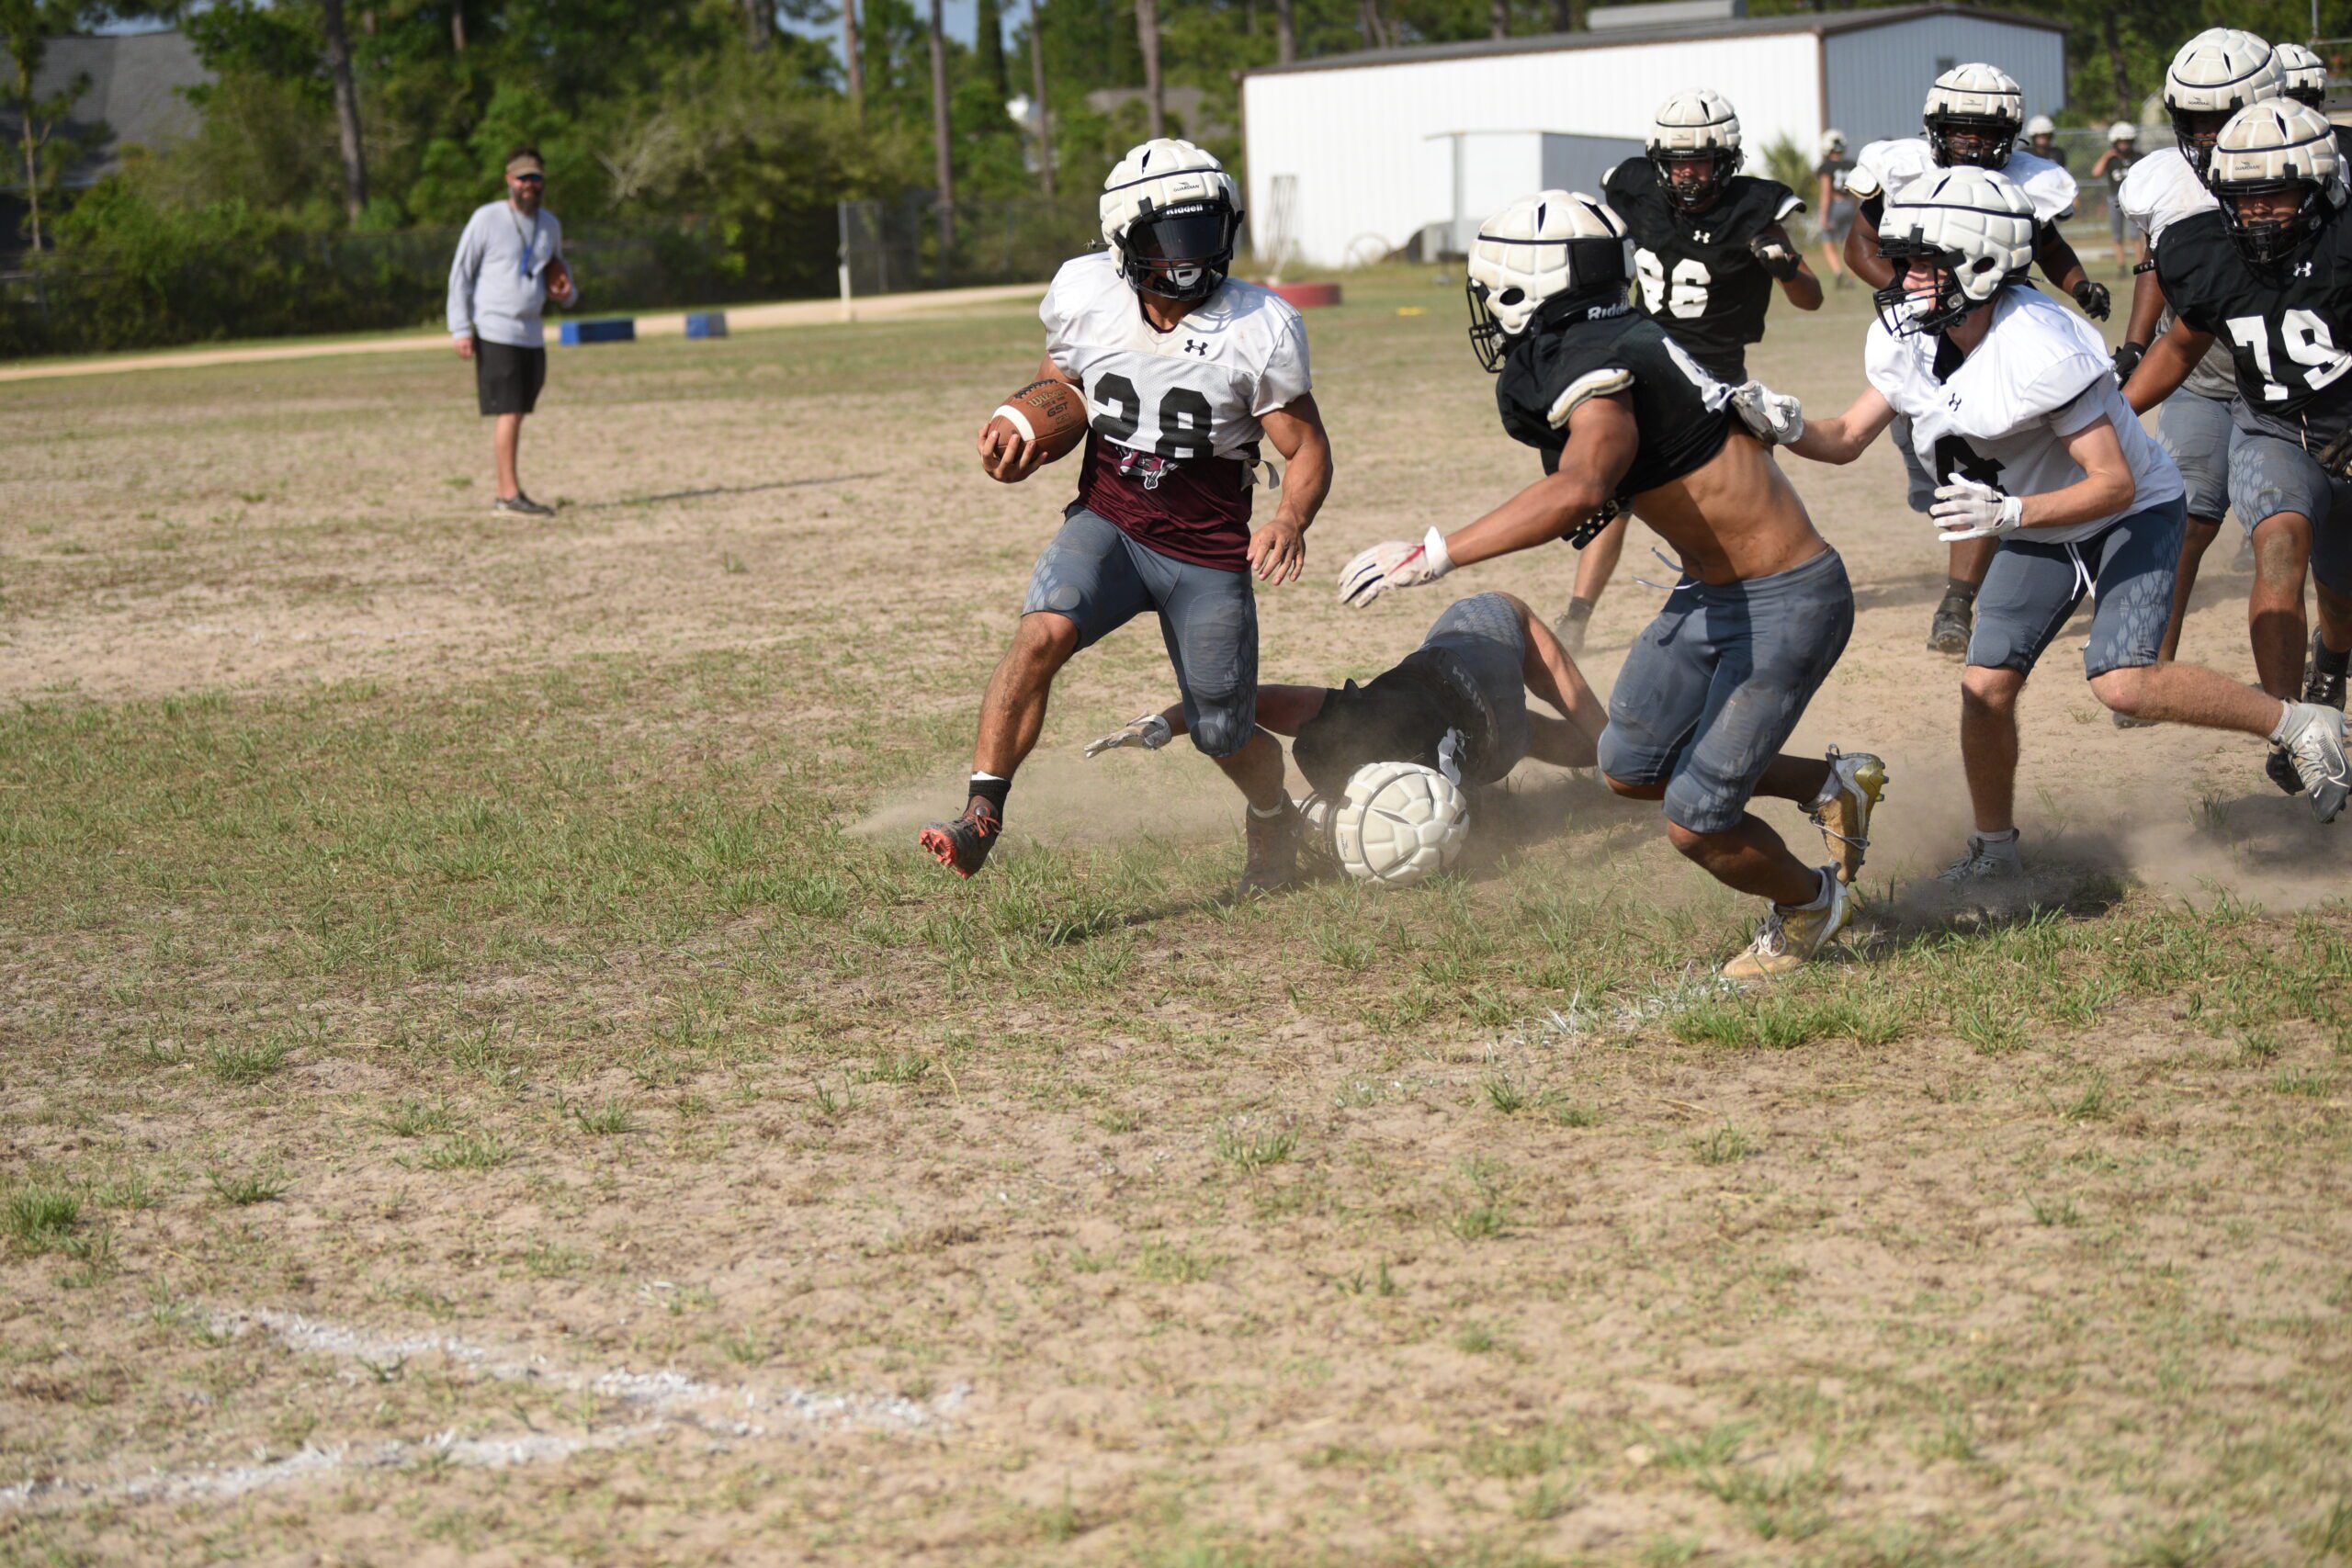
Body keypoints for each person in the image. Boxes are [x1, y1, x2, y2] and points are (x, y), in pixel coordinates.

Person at [1335, 190, 1887, 980]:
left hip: (1787, 598)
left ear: (1526, 288)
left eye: (1493, 289)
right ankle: (1830, 782)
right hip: (1711, 593)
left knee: (1697, 821)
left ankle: (1811, 904)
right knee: (1628, 763)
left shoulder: (1597, 363)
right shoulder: (1614, 333)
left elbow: (1586, 485)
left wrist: (1436, 554)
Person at [1792, 168, 2347, 894]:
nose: (1906, 279)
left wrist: (2010, 515)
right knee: (1984, 687)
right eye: (1905, 261)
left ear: (1981, 263)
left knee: (2123, 683)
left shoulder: (2040, 344)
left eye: (1925, 262)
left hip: (2127, 511)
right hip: (2036, 516)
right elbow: (1843, 437)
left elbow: (2113, 483)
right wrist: (1781, 424)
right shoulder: (1913, 338)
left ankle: (2298, 723)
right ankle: (1995, 850)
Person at [921, 139, 1335, 895]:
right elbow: (1060, 390)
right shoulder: (1087, 294)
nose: (1191, 254)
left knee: (1222, 733)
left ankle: (1273, 814)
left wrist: (1290, 519)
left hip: (1205, 553)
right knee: (1041, 633)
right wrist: (1024, 434)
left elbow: (1305, 446)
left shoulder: (1259, 324)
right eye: (1171, 237)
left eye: (1204, 231)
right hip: (1109, 521)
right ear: (1125, 240)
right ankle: (982, 810)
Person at [2124, 98, 2352, 810]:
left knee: (2342, 591)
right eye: (2242, 195)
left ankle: (2330, 664)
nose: (2255, 211)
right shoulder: (2209, 249)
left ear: (2317, 188)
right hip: (2274, 428)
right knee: (2278, 545)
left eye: (2274, 194)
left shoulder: (2345, 242)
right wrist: (2114, 414)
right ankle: (2290, 728)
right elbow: (2182, 344)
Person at [1843, 63, 2109, 659]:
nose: (1973, 142)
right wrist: (1920, 295)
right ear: (1934, 129)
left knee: (1983, 465)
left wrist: (2078, 284)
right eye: (1961, 128)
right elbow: (1859, 245)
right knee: (1937, 482)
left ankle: (1959, 600)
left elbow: (2048, 244)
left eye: (1987, 131)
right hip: (1924, 335)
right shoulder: (1903, 169)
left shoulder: (2026, 181)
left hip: (2002, 329)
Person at [1551, 90, 1823, 653]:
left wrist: (1786, 269)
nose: (1687, 174)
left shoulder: (1754, 209)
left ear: (1726, 161)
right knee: (1613, 492)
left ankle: (1754, 597)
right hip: (1643, 362)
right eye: (1676, 163)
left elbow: (1811, 298)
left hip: (1715, 379)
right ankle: (1576, 617)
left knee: (1741, 500)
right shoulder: (1635, 190)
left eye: (1699, 161)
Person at [2111, 30, 2290, 707]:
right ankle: (2152, 663)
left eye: (2223, 115)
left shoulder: (2315, 168)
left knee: (2285, 535)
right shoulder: (2167, 181)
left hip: (2291, 385)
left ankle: (2308, 682)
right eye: (2195, 118)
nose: (2208, 133)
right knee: (2184, 516)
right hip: (2203, 374)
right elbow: (2158, 268)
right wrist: (2135, 347)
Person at [1082, 592, 1608, 812]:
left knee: (1527, 735)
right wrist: (1165, 721)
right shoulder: (1347, 718)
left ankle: (1612, 753)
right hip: (1463, 670)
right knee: (1504, 608)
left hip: (1492, 753)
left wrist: (1164, 724)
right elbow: (1249, 699)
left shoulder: (1381, 804)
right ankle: (1620, 750)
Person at [447, 148, 577, 517]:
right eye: (522, 178)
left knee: (519, 410)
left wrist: (567, 293)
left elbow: (558, 272)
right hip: (495, 326)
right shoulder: (487, 218)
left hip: (531, 330)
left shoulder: (549, 224)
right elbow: (461, 273)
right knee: (510, 410)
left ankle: (510, 493)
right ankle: (508, 495)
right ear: (508, 180)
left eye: (535, 178)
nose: (529, 185)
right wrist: (460, 327)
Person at [2089, 121, 2141, 271]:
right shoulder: (2110, 159)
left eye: (2127, 141)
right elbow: (2095, 173)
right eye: (2121, 142)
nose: (2124, 145)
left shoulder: (2138, 157)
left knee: (2135, 235)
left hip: (2133, 199)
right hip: (2115, 200)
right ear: (2114, 142)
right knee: (2117, 236)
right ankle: (2121, 267)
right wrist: (2106, 156)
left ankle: (2139, 266)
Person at [1816, 129, 1858, 290]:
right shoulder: (1851, 165)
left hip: (1835, 206)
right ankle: (1852, 278)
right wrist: (1856, 209)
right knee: (1849, 244)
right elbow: (1856, 191)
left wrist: (1824, 215)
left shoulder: (1826, 167)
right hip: (1850, 205)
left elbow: (1826, 192)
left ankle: (1838, 271)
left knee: (1828, 241)